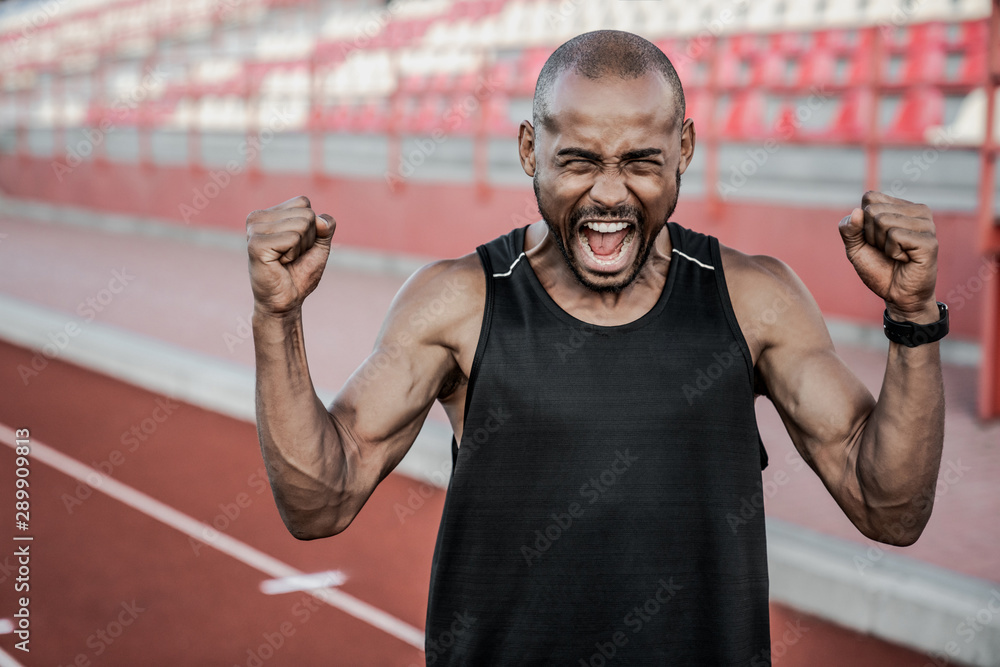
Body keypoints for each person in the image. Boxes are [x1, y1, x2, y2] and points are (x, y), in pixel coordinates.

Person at [246, 30, 946, 665]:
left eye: (641, 161)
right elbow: (321, 502)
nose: (608, 193)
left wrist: (912, 318)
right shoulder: (459, 301)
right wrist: (276, 317)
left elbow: (889, 507)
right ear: (529, 150)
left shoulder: (756, 298)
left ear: (684, 149)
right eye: (577, 160)